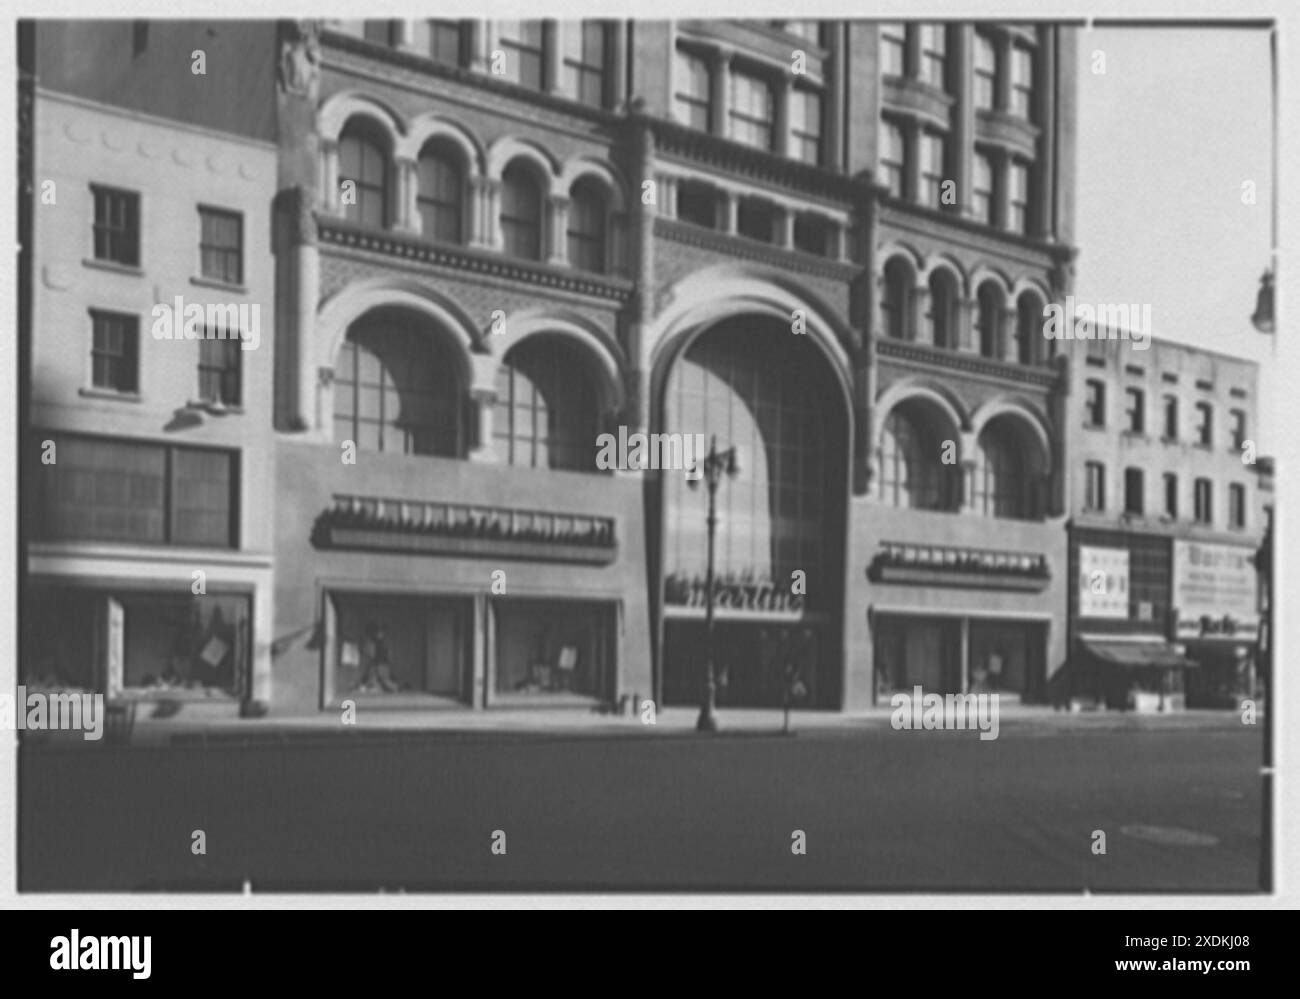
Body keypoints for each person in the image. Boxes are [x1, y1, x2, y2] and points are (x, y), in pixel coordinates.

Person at [361, 623, 400, 693]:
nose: (380, 634)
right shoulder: (373, 643)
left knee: (384, 682)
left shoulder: (383, 643)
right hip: (378, 665)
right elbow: (371, 655)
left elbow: (374, 655)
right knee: (373, 682)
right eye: (379, 632)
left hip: (381, 665)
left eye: (381, 632)